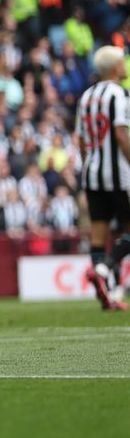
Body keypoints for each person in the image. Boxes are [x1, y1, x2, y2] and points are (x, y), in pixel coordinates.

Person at [75, 45, 130, 311]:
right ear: (113, 67)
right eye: (122, 62)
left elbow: (81, 140)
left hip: (92, 173)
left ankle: (107, 294)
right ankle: (106, 270)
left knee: (99, 233)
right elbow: (121, 135)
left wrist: (88, 167)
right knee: (125, 229)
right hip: (118, 174)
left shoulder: (86, 97)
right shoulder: (119, 94)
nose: (125, 65)